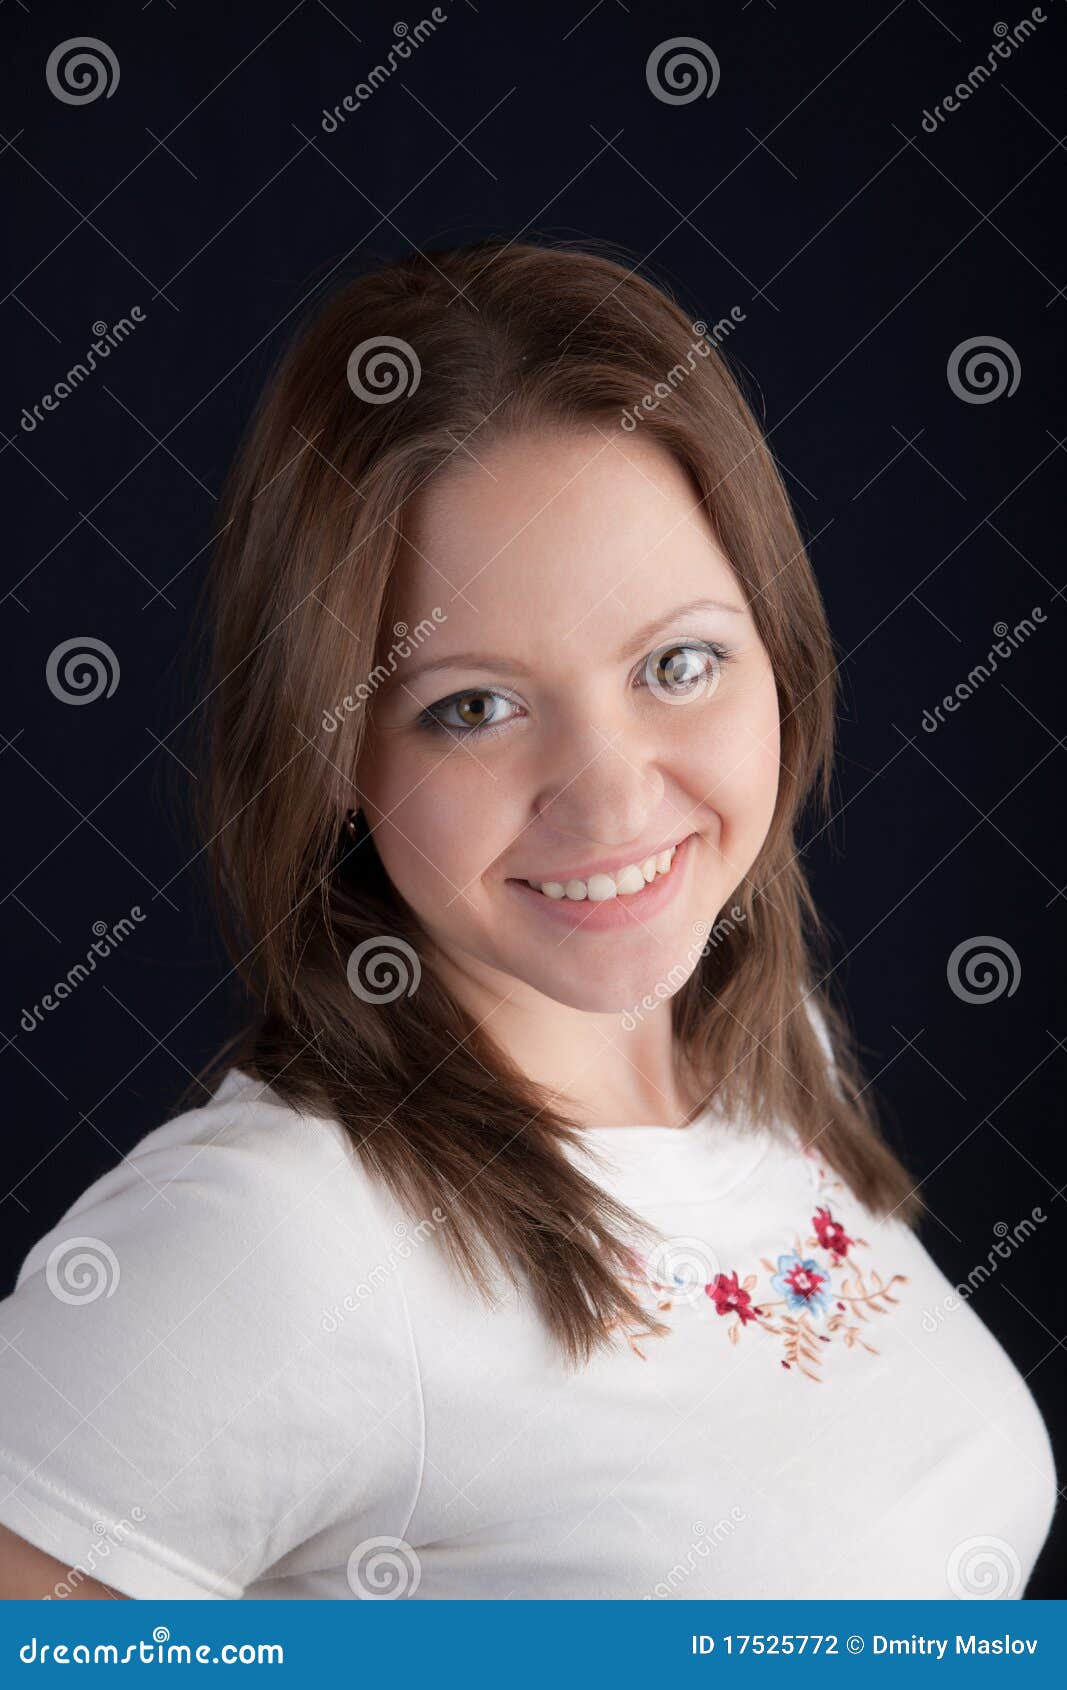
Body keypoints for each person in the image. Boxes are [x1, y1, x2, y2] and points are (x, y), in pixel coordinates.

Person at [0, 240, 1055, 1601]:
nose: (612, 795)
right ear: (331, 752)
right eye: (475, 706)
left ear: (778, 652)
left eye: (678, 662)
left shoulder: (763, 1049)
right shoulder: (279, 1238)